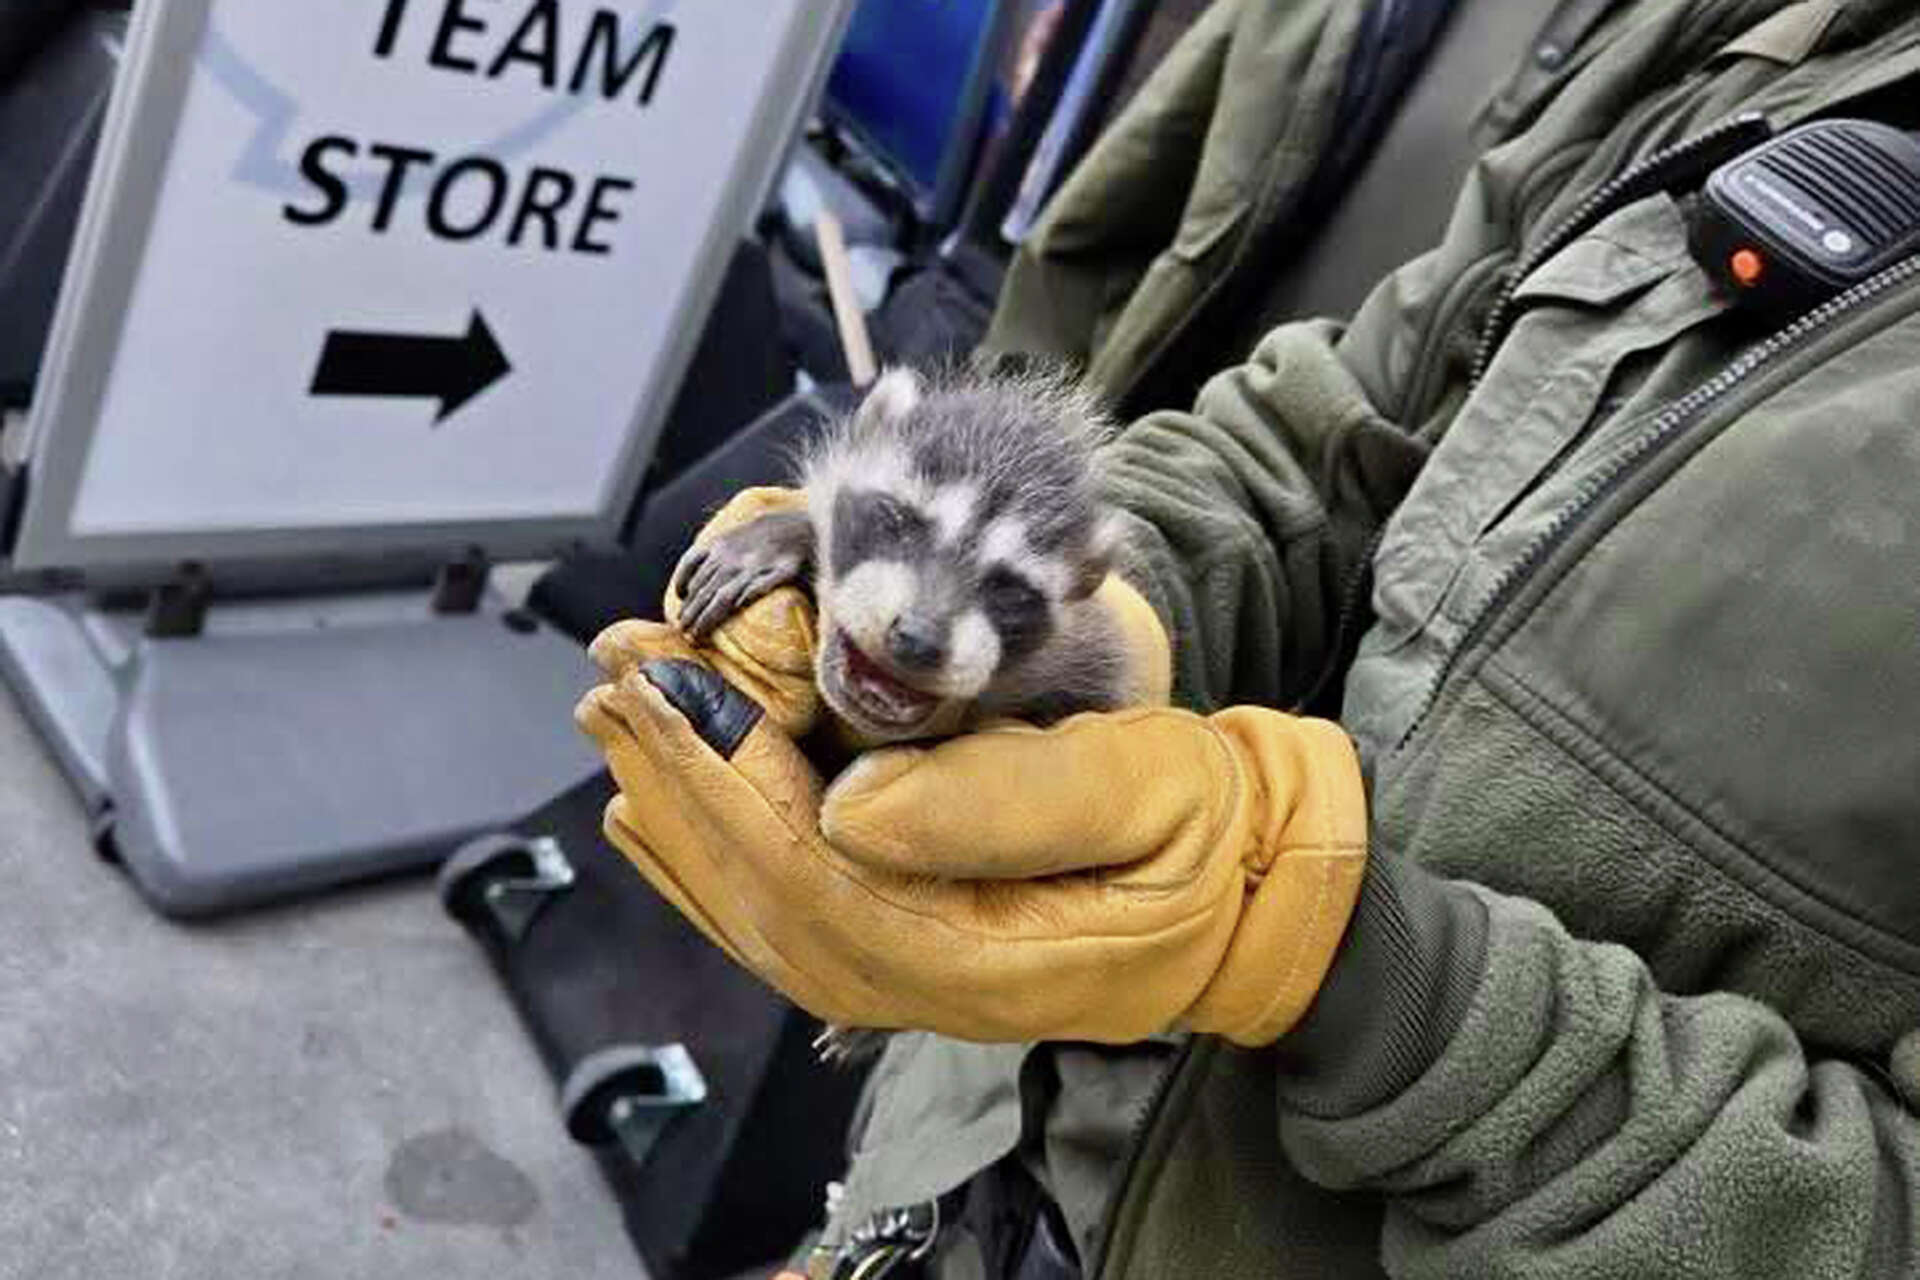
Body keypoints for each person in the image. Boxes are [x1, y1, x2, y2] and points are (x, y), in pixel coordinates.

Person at [576, 0, 1920, 1273]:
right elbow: (1351, 430)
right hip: (982, 1158)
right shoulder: (1761, 38)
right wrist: (1133, 621)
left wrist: (1341, 964)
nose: (922, 631)